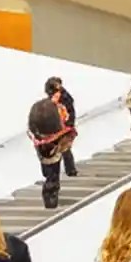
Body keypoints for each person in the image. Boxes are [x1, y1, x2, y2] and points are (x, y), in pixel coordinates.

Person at [28, 80, 77, 210]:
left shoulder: (55, 103)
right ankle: (65, 174)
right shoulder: (50, 106)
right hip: (55, 135)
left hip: (55, 135)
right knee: (54, 163)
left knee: (53, 165)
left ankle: (54, 189)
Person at [46, 76, 80, 177]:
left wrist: (69, 123)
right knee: (61, 149)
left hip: (63, 126)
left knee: (64, 149)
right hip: (58, 126)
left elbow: (69, 111)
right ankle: (67, 170)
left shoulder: (63, 97)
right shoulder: (58, 97)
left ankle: (70, 170)